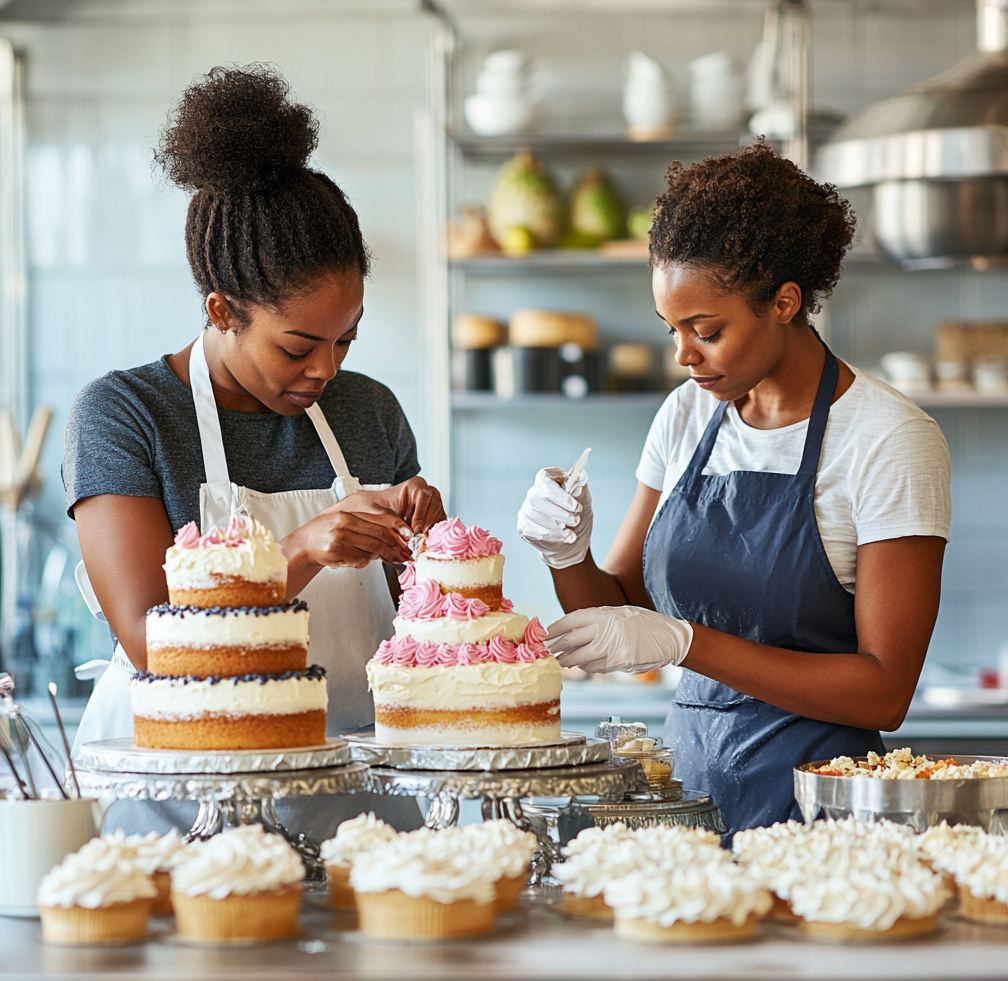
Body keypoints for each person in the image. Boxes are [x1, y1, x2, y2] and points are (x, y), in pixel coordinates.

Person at [518, 143, 951, 838]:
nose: (684, 355)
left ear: (784, 302)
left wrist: (688, 642)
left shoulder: (888, 438)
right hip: (683, 802)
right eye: (673, 330)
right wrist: (567, 555)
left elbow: (884, 690)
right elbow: (622, 613)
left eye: (706, 330)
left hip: (823, 820)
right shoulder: (686, 416)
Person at [63, 65, 442, 833]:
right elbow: (147, 639)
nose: (326, 369)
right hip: (178, 811)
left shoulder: (368, 411)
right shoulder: (126, 414)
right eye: (299, 345)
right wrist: (299, 550)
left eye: (346, 339)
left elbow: (423, 632)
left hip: (353, 809)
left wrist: (429, 553)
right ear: (221, 309)